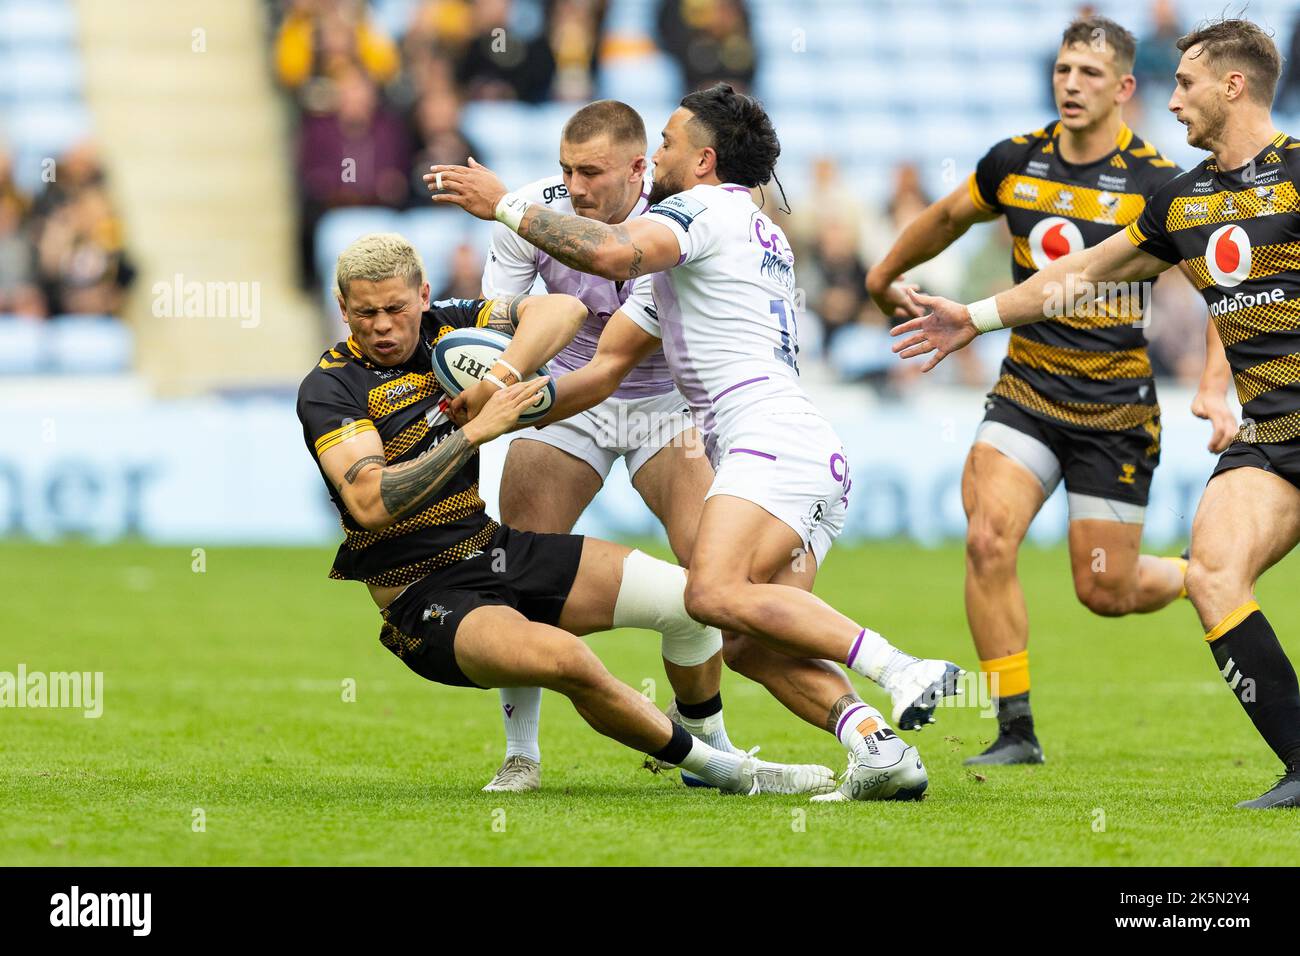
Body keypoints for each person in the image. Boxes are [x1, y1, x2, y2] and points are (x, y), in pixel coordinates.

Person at [428, 84, 963, 802]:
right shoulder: (737, 225)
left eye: (668, 146)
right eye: (569, 171)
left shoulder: (693, 213)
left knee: (709, 592)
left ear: (685, 162)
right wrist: (509, 394)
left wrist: (504, 207)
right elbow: (564, 347)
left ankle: (878, 679)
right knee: (742, 629)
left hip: (715, 424)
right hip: (776, 437)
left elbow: (616, 287)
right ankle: (874, 744)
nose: (656, 156)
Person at [891, 18, 1300, 809]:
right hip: (1271, 437)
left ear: (1233, 85)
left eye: (1184, 84)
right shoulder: (1182, 202)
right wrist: (971, 318)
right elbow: (1077, 273)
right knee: (1212, 572)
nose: (1171, 99)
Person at [297, 232, 834, 796]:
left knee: (694, 601)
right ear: (342, 309)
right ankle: (730, 771)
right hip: (422, 593)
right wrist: (477, 430)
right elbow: (370, 501)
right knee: (567, 659)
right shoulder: (331, 387)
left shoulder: (451, 329)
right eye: (365, 313)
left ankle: (708, 741)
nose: (382, 325)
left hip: (493, 551)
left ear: (424, 296)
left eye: (395, 309)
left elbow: (564, 308)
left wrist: (501, 378)